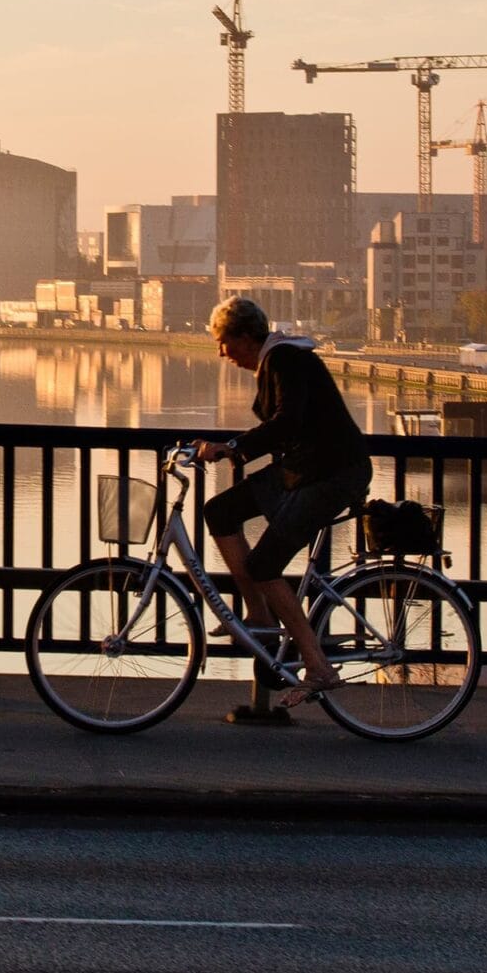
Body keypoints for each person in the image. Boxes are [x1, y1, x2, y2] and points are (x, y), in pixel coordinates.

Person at [194, 297, 372, 708]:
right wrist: (232, 449)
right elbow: (287, 427)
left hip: (330, 474)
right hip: (304, 468)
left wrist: (232, 447)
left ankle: (319, 667)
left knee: (264, 564)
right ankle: (258, 616)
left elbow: (287, 422)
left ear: (244, 336)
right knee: (220, 511)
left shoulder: (285, 360)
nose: (222, 353)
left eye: (224, 342)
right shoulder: (280, 360)